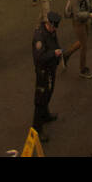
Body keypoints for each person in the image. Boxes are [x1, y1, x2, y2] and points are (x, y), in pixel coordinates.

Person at [32, 10, 64, 139]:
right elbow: (39, 57)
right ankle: (37, 129)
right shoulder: (39, 36)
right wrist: (53, 54)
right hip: (43, 72)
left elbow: (55, 43)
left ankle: (45, 115)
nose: (54, 30)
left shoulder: (51, 31)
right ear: (49, 24)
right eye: (53, 27)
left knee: (49, 92)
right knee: (40, 99)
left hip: (50, 69)